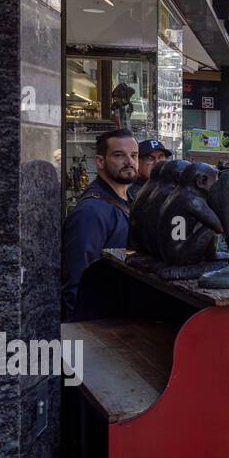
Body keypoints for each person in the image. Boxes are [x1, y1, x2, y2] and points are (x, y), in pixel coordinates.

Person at [62, 129, 137, 317]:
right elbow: (76, 279)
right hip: (101, 322)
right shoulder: (91, 211)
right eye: (119, 155)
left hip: (125, 315)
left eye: (134, 155)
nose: (129, 162)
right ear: (100, 161)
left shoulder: (132, 200)